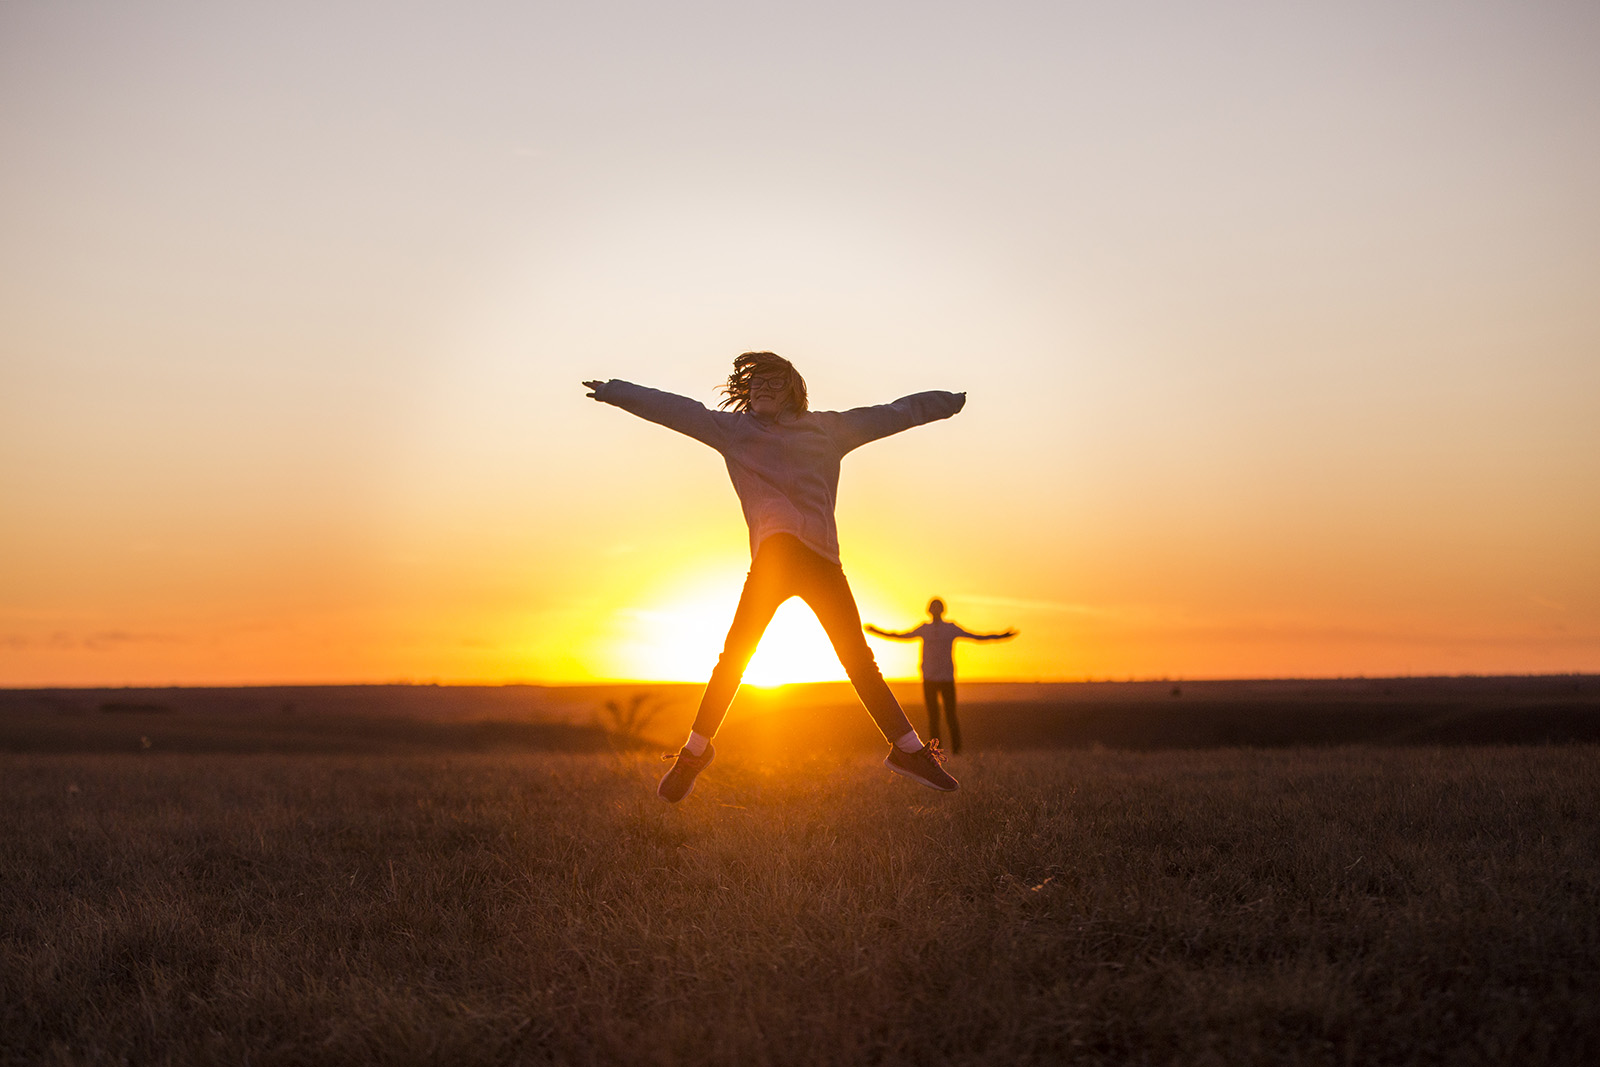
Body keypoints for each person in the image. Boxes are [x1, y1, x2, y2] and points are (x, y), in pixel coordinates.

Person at [583, 351, 965, 802]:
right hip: (774, 558)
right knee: (735, 658)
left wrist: (946, 402)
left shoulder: (828, 429)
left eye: (771, 382)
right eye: (754, 383)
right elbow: (675, 409)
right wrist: (615, 392)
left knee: (859, 662)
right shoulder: (733, 431)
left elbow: (893, 414)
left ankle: (909, 752)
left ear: (793, 389)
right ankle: (694, 752)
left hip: (824, 561)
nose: (760, 389)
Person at [865, 600, 1017, 754]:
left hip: (947, 679)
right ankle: (936, 752)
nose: (936, 610)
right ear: (929, 610)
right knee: (933, 717)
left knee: (951, 716)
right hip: (929, 679)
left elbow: (977, 637)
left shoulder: (950, 628)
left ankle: (957, 751)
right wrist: (876, 631)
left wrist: (1002, 636)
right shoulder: (925, 628)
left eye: (938, 607)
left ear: (942, 610)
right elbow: (900, 636)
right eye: (933, 607)